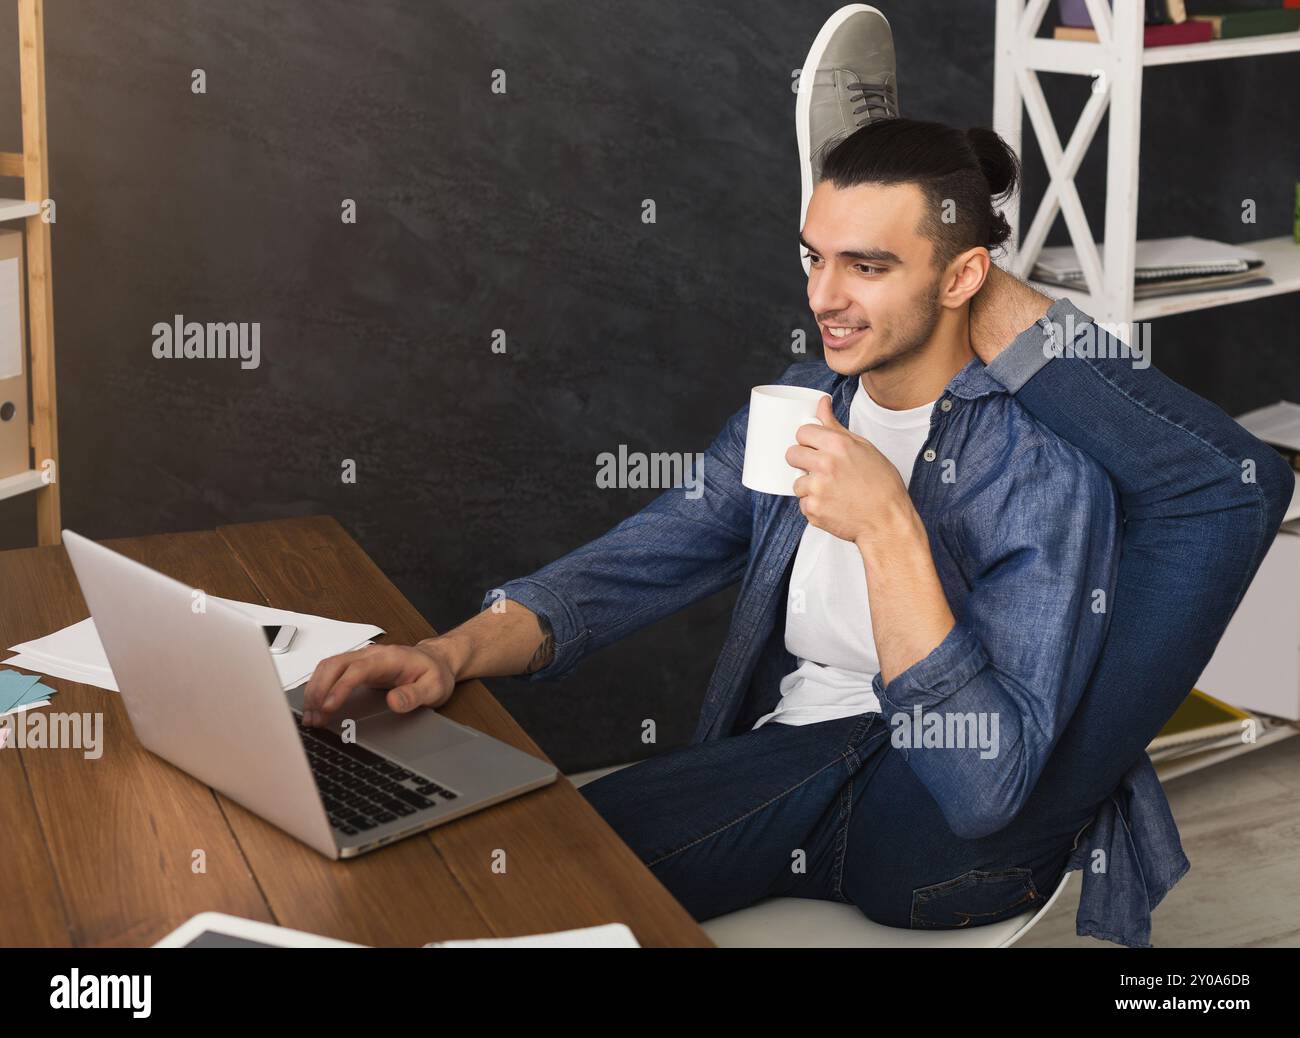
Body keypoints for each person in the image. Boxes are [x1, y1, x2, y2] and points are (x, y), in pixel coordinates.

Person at [301, 15, 1294, 947]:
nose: (821, 297)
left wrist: (888, 531)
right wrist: (451, 650)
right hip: (807, 761)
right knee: (529, 857)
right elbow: (645, 558)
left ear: (961, 280)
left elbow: (980, 784)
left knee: (572, 850)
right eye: (814, 256)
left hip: (943, 836)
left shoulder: (1037, 467)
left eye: (865, 264)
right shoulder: (803, 401)